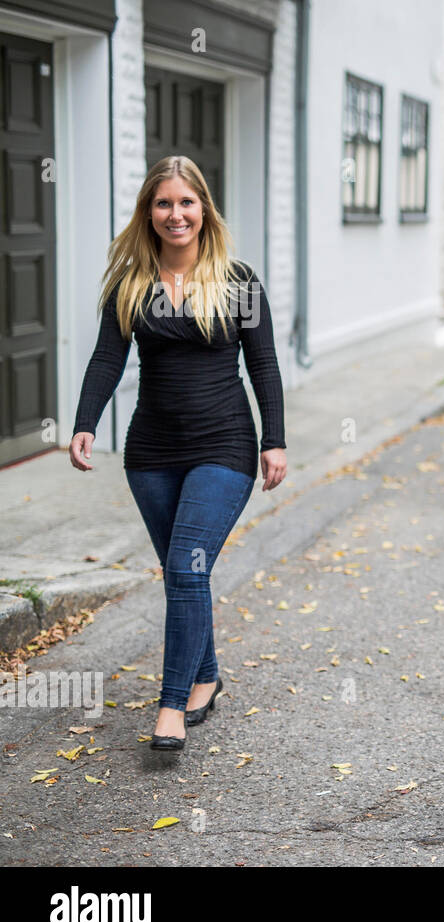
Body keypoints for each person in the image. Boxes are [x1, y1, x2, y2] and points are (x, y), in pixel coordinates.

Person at [70, 156, 287, 752]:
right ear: (149, 212)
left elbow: (263, 364)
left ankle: (169, 705)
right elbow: (106, 360)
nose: (175, 214)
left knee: (187, 565)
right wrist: (86, 423)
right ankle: (206, 676)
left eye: (186, 202)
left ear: (203, 210)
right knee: (182, 573)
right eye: (163, 203)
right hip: (151, 451)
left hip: (225, 446)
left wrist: (275, 438)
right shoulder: (132, 284)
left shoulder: (237, 281)